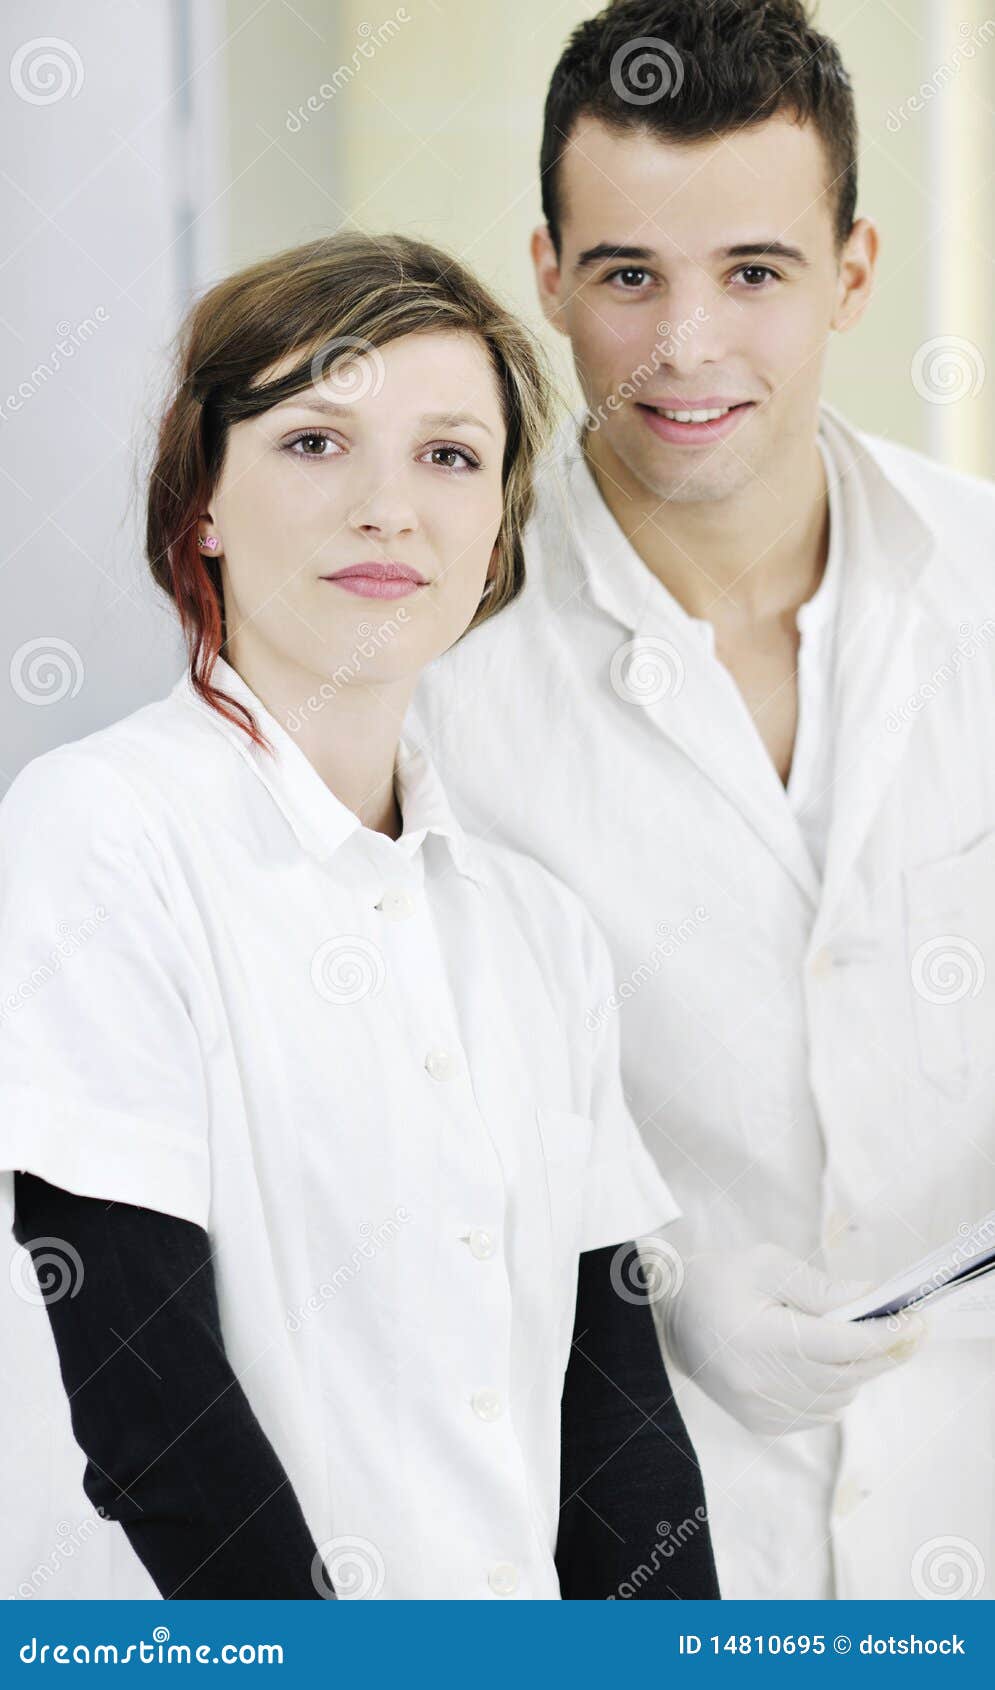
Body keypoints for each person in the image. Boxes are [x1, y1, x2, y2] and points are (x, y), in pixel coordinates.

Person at [0, 232, 721, 1601]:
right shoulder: (101, 830)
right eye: (317, 442)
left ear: (498, 526)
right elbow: (144, 1387)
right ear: (202, 495)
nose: (390, 508)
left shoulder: (536, 931)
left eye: (449, 456)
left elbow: (613, 1419)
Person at [409, 0, 995, 1600]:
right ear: (547, 275)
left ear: (853, 275)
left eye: (753, 273)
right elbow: (397, 1153)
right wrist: (660, 1284)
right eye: (626, 277)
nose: (686, 347)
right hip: (663, 1546)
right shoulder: (437, 674)